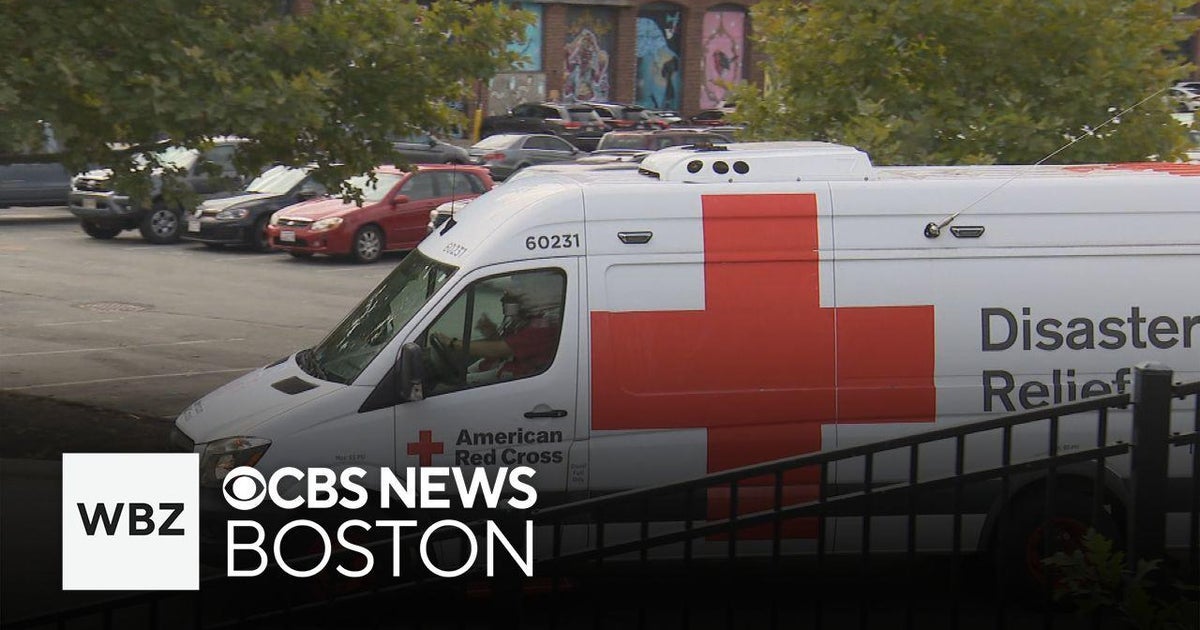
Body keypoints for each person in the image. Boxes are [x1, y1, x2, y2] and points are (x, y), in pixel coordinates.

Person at [431, 272, 563, 384]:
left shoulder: (542, 326)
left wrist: (453, 343)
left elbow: (501, 350)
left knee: (453, 385)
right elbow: (508, 350)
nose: (503, 300)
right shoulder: (524, 320)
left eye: (515, 294)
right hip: (501, 368)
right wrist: (491, 333)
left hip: (517, 378)